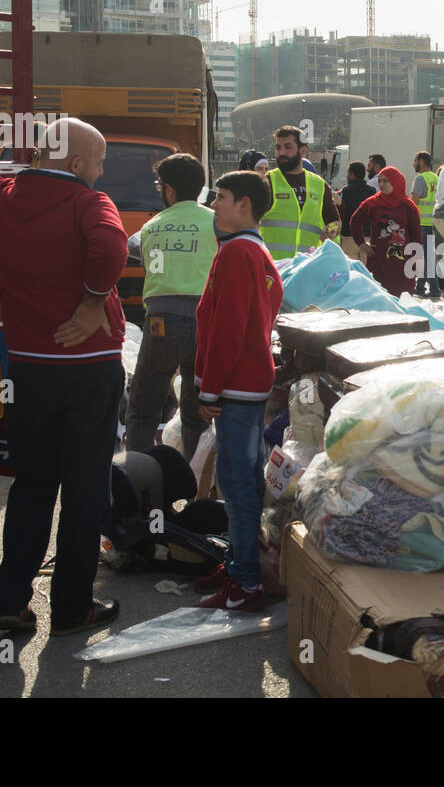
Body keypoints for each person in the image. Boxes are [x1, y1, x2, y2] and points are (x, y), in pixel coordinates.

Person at [0, 76, 125, 636]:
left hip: (28, 370)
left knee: (33, 484)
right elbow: (111, 247)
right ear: (83, 160)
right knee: (87, 490)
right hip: (87, 370)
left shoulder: (4, 195)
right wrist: (92, 302)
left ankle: (12, 600)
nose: (103, 172)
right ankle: (71, 607)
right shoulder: (90, 202)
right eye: (102, 161)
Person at [191, 170, 284, 612]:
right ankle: (239, 565)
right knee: (242, 479)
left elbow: (228, 329)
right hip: (248, 383)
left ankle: (245, 579)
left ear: (244, 204)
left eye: (222, 197)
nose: (215, 205)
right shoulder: (255, 250)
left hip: (235, 388)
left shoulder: (237, 253)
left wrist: (209, 389)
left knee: (237, 483)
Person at [123, 153, 217, 461]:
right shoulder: (216, 222)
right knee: (195, 411)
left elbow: (131, 246)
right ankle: (197, 487)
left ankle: (138, 484)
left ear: (170, 190)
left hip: (161, 323)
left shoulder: (153, 226)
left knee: (143, 409)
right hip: (206, 323)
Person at [259, 125, 338, 260]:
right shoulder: (266, 182)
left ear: (302, 151)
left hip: (306, 269)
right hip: (272, 270)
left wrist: (332, 233)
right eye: (278, 148)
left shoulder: (319, 185)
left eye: (288, 147)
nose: (281, 152)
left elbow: (333, 222)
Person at [349, 166, 421, 298]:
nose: (381, 184)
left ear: (396, 182)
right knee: (378, 300)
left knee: (403, 302)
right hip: (378, 262)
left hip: (403, 265)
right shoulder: (372, 203)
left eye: (385, 181)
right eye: (380, 181)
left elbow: (416, 235)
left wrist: (418, 261)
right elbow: (355, 222)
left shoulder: (408, 206)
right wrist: (362, 243)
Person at [409, 151, 440, 297]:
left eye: (415, 161)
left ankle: (434, 290)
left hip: (422, 223)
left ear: (421, 161)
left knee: (425, 257)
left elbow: (413, 202)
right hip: (433, 224)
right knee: (427, 257)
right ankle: (421, 287)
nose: (414, 164)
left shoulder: (420, 179)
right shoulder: (436, 178)